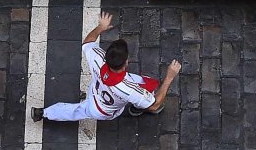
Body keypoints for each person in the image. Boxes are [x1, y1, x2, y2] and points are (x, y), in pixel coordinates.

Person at [32, 13, 180, 124]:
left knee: (73, 111)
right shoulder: (128, 88)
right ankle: (139, 107)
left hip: (95, 91)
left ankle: (43, 113)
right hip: (104, 111)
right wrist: (169, 77)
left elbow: (88, 41)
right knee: (147, 94)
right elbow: (155, 105)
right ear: (126, 63)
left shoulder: (99, 60)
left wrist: (100, 27)